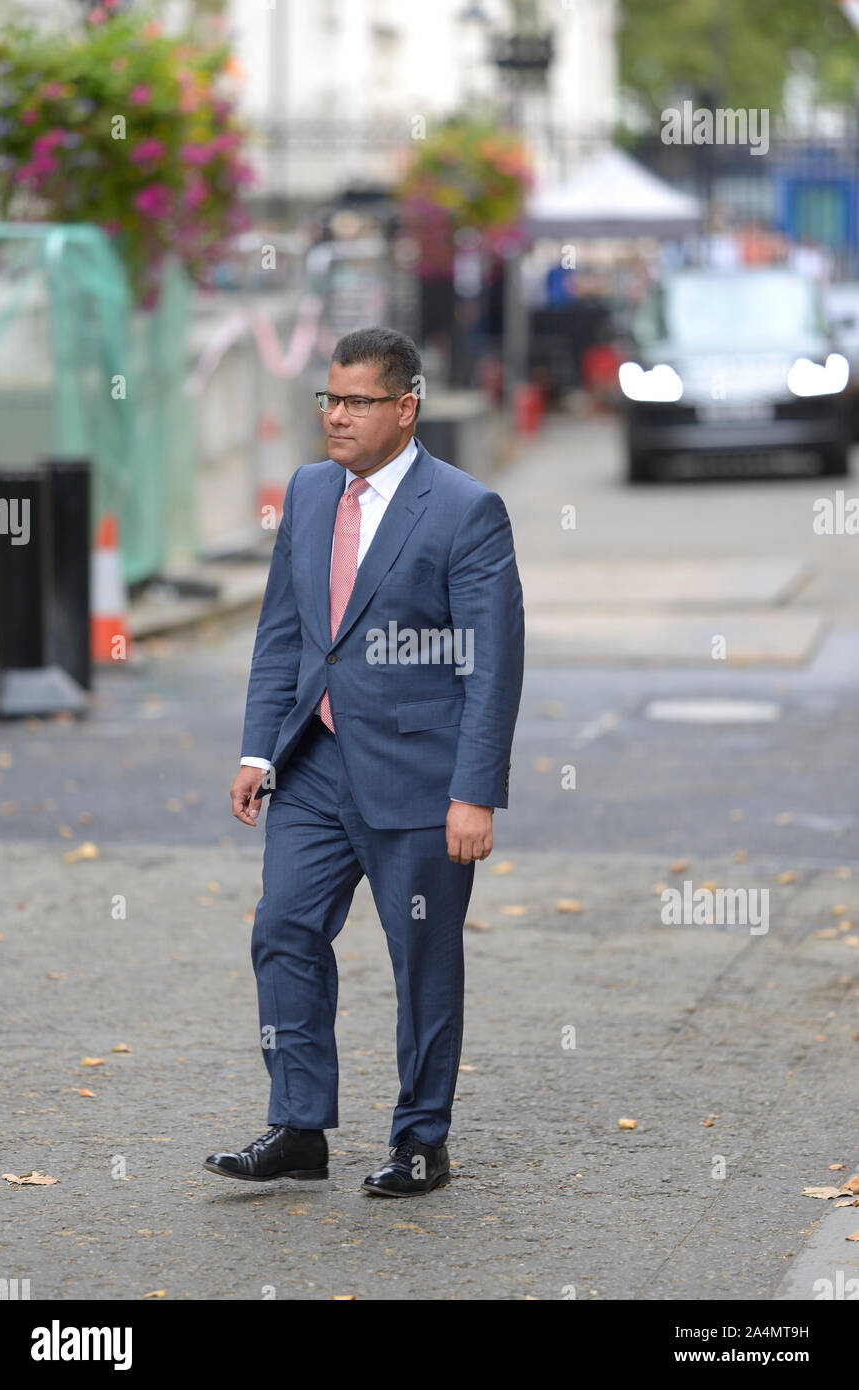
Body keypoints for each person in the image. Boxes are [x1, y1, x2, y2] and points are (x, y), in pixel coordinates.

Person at [204, 327, 524, 1197]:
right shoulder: (309, 493)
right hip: (314, 764)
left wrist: (475, 791)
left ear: (405, 407)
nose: (335, 417)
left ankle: (422, 1139)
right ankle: (299, 1126)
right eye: (328, 399)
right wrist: (257, 748)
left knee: (421, 958)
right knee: (284, 929)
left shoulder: (464, 509)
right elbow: (285, 635)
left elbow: (492, 662)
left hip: (421, 777)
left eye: (355, 402)